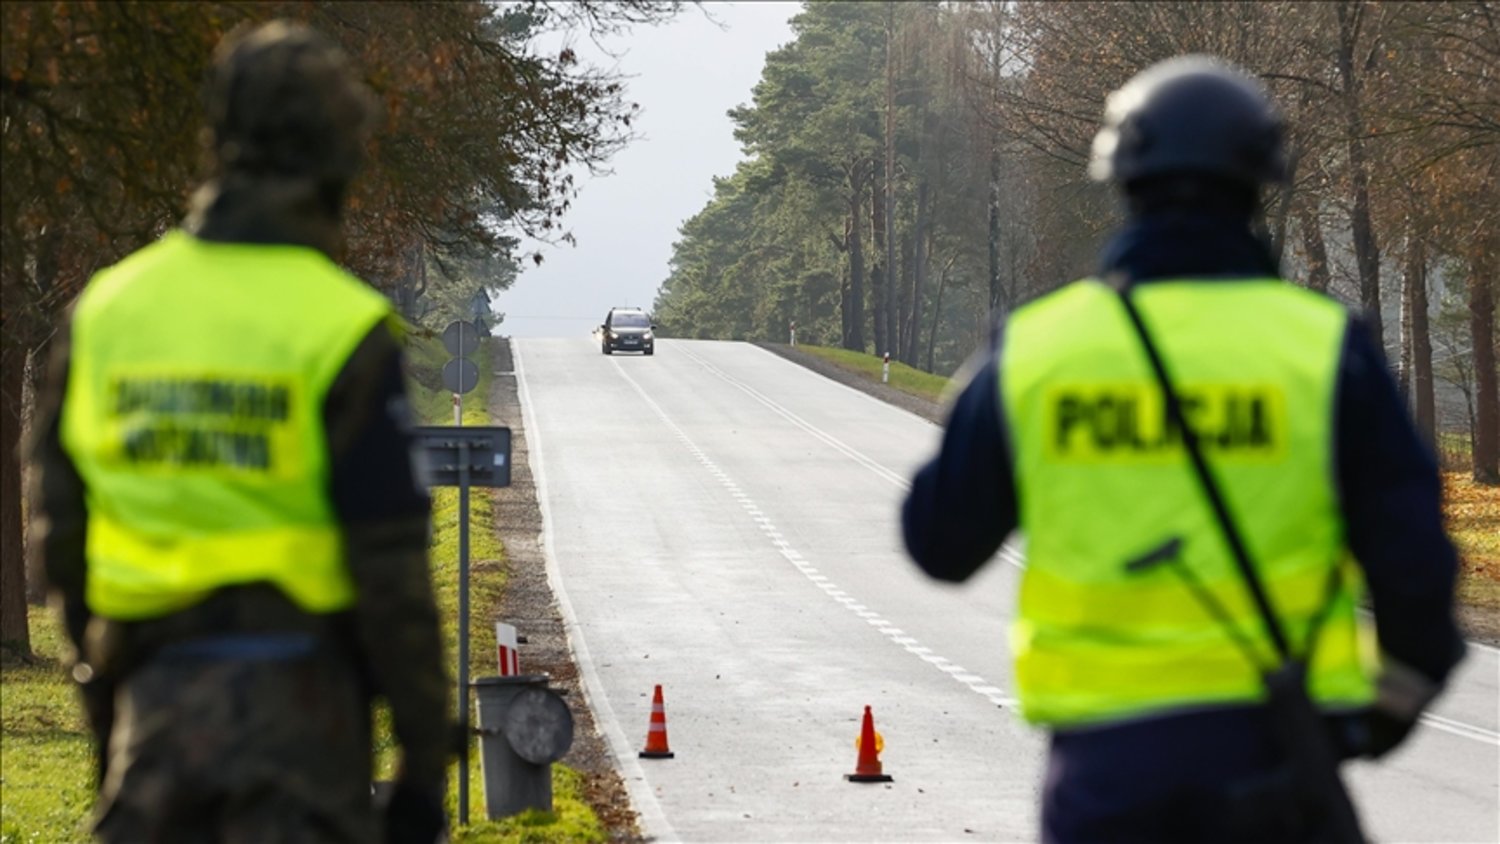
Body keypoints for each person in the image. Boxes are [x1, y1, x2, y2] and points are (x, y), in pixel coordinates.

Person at [902, 55, 1466, 843]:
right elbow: (1415, 563)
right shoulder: (1326, 349)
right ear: (1261, 182)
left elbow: (940, 543)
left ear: (1121, 179)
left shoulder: (1039, 349)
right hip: (1277, 758)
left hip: (1106, 776)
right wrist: (1388, 710)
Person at [27, 21, 450, 843]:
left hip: (152, 719)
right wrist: (424, 767)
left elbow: (62, 538)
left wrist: (107, 707)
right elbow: (391, 571)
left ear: (218, 140)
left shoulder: (108, 311)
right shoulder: (344, 327)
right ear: (340, 154)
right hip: (306, 732)